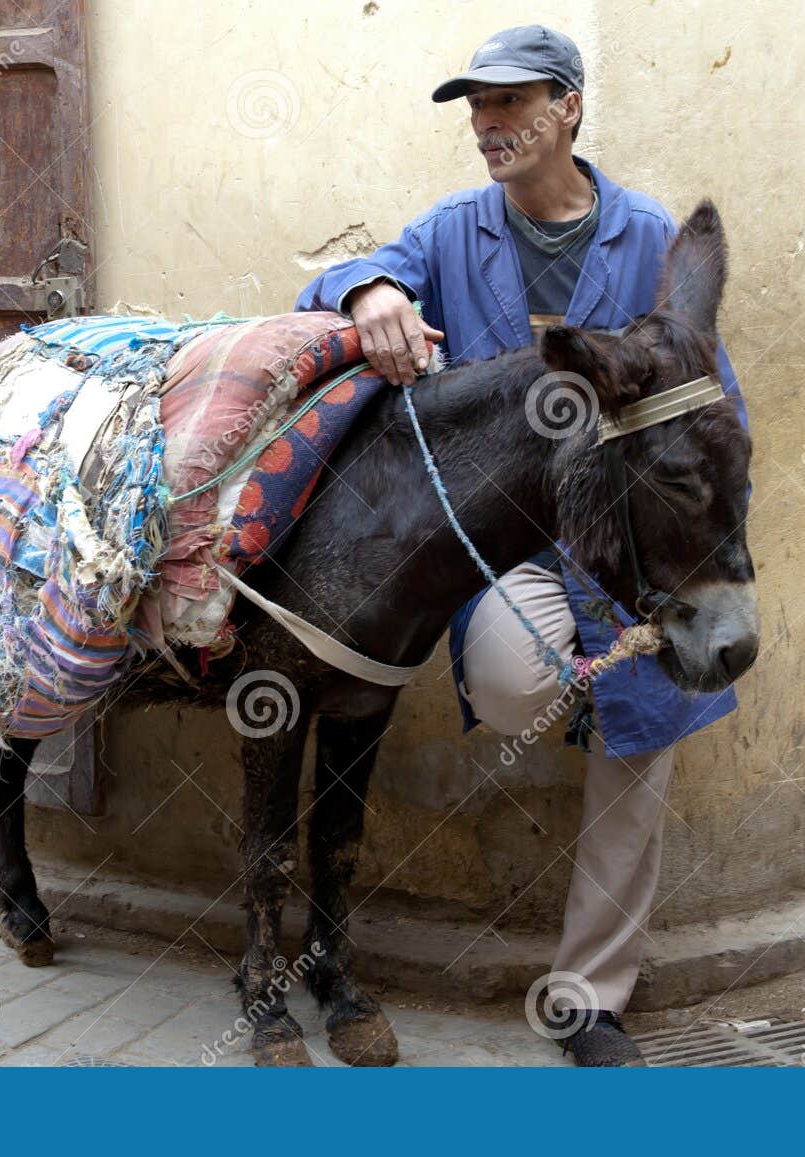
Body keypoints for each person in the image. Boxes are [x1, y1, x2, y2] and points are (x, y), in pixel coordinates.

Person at [296, 24, 749, 1066]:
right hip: (513, 554)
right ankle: (593, 683)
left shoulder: (643, 241)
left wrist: (707, 553)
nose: (487, 125)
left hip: (637, 544)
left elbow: (712, 412)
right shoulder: (455, 232)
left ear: (569, 108)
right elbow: (338, 276)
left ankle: (590, 999)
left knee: (643, 741)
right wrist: (371, 293)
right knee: (513, 684)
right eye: (476, 108)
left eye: (510, 103)